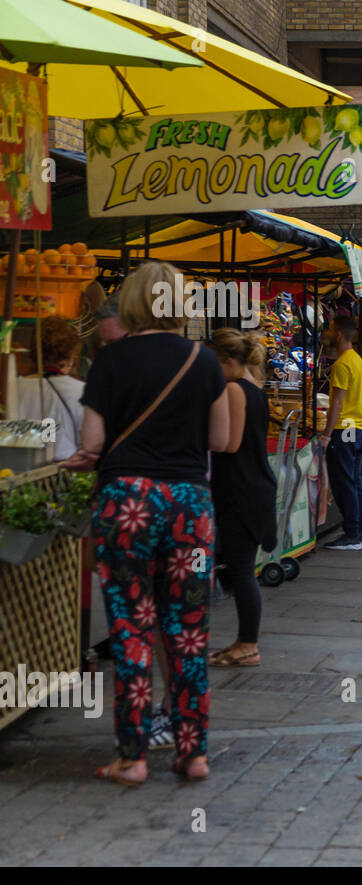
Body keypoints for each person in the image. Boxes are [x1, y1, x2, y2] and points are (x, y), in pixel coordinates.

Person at [67, 260, 229, 785]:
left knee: (131, 628)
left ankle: (132, 757)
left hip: (126, 503)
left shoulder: (110, 360)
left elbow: (92, 443)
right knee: (188, 632)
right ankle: (193, 753)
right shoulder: (204, 361)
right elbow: (221, 440)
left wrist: (95, 455)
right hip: (190, 507)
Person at [206, 329, 277, 668]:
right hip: (251, 488)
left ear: (229, 361)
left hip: (242, 491)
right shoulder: (255, 389)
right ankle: (242, 641)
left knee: (243, 571)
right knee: (240, 569)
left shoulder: (234, 389)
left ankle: (249, 645)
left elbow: (229, 444)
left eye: (214, 364)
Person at [317, 314, 362, 550]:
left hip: (343, 429)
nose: (326, 333)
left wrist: (327, 434)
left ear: (338, 334)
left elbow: (336, 403)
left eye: (329, 329)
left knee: (345, 482)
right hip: (357, 428)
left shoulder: (341, 364)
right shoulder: (356, 360)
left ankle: (352, 534)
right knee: (354, 480)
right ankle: (357, 531)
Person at [15, 318, 84, 462]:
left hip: (16, 472)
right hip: (63, 472)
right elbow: (89, 441)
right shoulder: (81, 391)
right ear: (71, 356)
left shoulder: (12, 388)